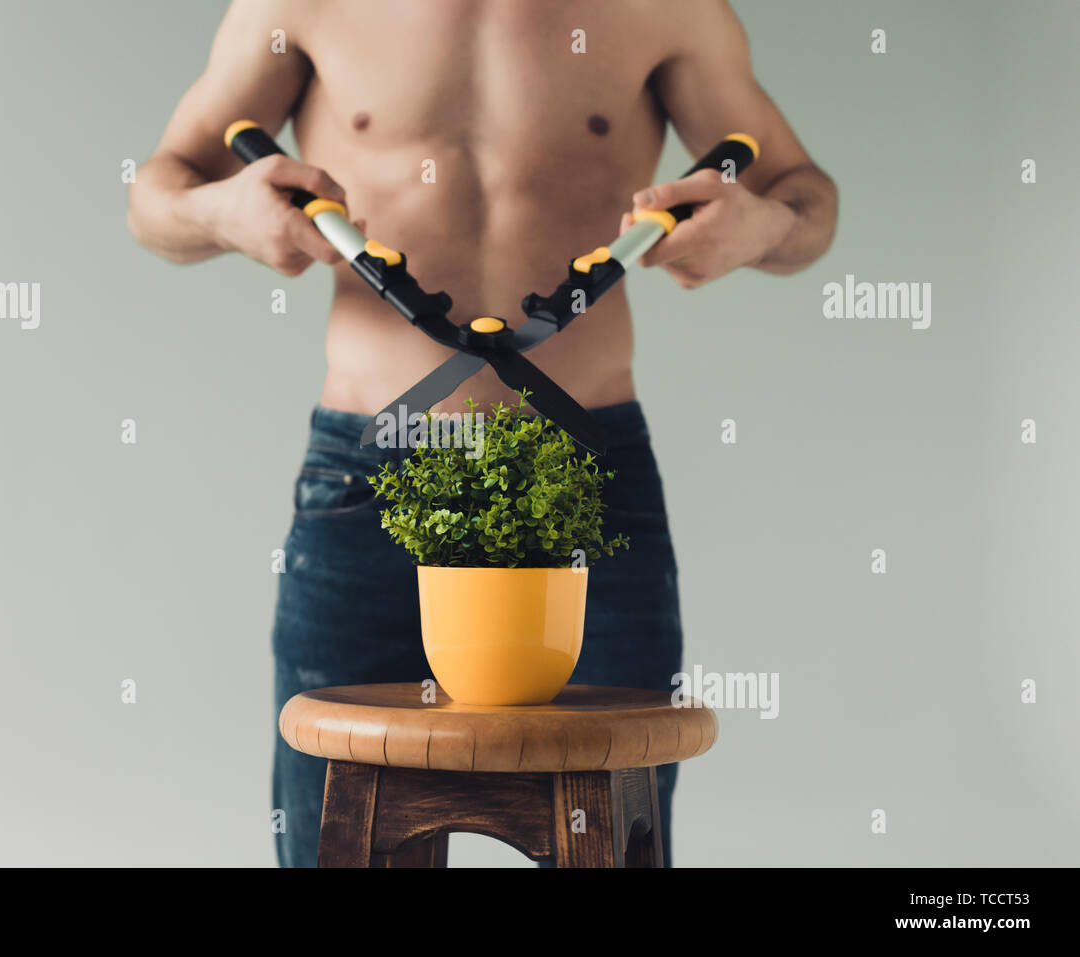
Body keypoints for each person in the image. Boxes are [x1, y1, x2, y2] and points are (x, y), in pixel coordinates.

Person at [127, 0, 837, 867]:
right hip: (373, 473)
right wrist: (222, 212)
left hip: (585, 474)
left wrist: (762, 225)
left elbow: (805, 194)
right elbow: (153, 193)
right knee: (328, 835)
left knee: (615, 837)